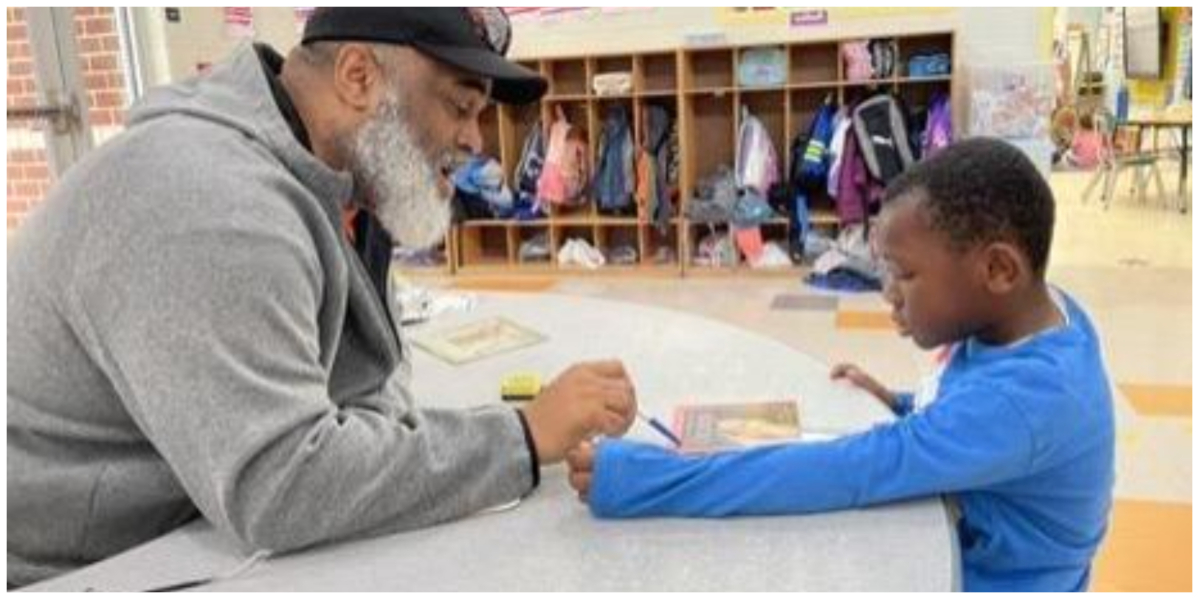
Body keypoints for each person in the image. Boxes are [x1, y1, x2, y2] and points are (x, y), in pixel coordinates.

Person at [8, 8, 637, 587]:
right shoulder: (210, 203)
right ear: (359, 76)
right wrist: (522, 437)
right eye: (458, 105)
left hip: (178, 528)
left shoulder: (328, 176)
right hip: (69, 570)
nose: (476, 140)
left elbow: (358, 397)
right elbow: (281, 484)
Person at [567, 138, 1116, 592]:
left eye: (904, 275)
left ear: (997, 269)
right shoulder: (1041, 315)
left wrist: (644, 477)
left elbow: (844, 471)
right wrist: (902, 401)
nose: (887, 292)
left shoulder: (1025, 403)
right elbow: (979, 409)